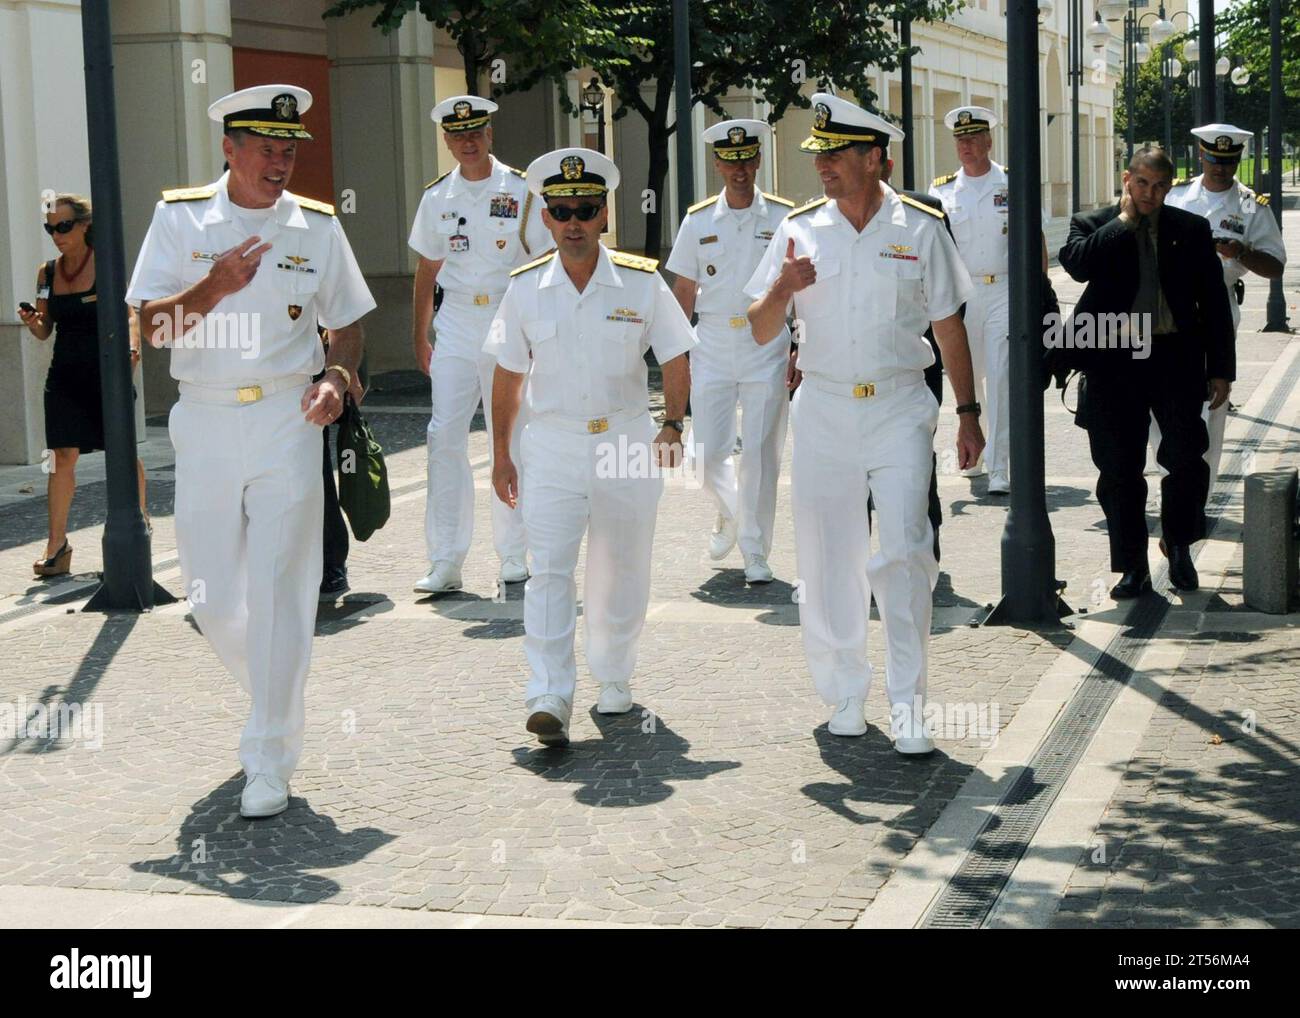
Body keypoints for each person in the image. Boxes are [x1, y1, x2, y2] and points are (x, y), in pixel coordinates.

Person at [126, 84, 375, 818]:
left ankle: (269, 751)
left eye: (288, 146)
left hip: (286, 417)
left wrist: (337, 374)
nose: (280, 159)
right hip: (202, 420)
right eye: (265, 146)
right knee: (209, 594)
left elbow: (350, 321)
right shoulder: (179, 219)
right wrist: (212, 285)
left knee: (281, 585)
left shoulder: (318, 227)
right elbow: (152, 330)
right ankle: (275, 691)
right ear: (229, 150)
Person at [746, 94, 984, 752]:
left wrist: (967, 413)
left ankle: (909, 705)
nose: (822, 163)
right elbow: (760, 326)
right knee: (829, 560)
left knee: (904, 552)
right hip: (821, 407)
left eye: (836, 152)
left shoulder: (922, 227)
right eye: (818, 153)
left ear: (875, 157)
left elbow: (948, 325)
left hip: (900, 404)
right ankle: (845, 691)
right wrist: (782, 288)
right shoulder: (798, 229)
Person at [485, 148, 696, 747]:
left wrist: (673, 423)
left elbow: (676, 351)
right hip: (551, 443)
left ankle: (613, 673)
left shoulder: (639, 279)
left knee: (622, 567)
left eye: (585, 208)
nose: (573, 220)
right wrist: (502, 453)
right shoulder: (525, 289)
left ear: (604, 213)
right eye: (561, 210)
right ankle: (549, 691)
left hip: (625, 438)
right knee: (548, 569)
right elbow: (507, 374)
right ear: (546, 218)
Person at [1059, 145, 1234, 599]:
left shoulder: (1190, 229)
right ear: (1126, 180)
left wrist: (1221, 370)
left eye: (1159, 186)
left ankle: (1178, 545)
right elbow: (1077, 266)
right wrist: (1124, 223)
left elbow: (1214, 303)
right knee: (1118, 468)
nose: (1150, 194)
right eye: (1142, 184)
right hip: (1114, 360)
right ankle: (1132, 565)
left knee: (1185, 458)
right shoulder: (1094, 224)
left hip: (1174, 357)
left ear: (1169, 186)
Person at [408, 95, 551, 594]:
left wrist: (537, 331)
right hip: (457, 320)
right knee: (443, 435)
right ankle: (445, 557)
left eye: (475, 133)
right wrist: (420, 331)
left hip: (506, 316)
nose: (467, 142)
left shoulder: (522, 191)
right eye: (457, 135)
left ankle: (514, 552)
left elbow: (542, 263)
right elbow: (428, 268)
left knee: (508, 435)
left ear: (489, 134)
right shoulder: (437, 197)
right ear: (447, 140)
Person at [665, 119, 793, 584]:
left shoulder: (782, 218)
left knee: (761, 452)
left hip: (766, 342)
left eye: (746, 160)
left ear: (758, 160)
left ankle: (756, 550)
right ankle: (729, 512)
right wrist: (672, 351)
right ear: (717, 164)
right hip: (713, 341)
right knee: (707, 454)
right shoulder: (699, 220)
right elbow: (682, 289)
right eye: (730, 161)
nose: (739, 170)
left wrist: (801, 341)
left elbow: (799, 289)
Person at [1150, 124, 1287, 492]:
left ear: (1237, 159)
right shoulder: (1176, 195)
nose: (1220, 169)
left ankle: (1201, 496)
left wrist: (1240, 252)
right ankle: (1172, 487)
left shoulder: (1250, 206)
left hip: (1216, 309)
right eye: (1214, 160)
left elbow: (1276, 265)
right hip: (1168, 307)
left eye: (1228, 161)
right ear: (1200, 154)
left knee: (1211, 402)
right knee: (1162, 401)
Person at [17, 194, 148, 577]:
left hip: (107, 370)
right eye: (50, 228)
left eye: (63, 226)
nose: (56, 235)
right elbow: (45, 329)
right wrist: (31, 322)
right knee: (61, 457)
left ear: (85, 225)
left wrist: (133, 348)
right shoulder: (47, 273)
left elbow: (129, 314)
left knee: (121, 451)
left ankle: (140, 527)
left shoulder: (105, 264)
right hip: (65, 374)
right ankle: (57, 547)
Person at [929, 106, 1048, 496]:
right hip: (961, 295)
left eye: (973, 139)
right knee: (968, 376)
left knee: (1001, 378)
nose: (965, 146)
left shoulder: (1014, 184)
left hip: (1004, 292)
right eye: (960, 140)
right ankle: (974, 451)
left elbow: (1038, 241)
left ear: (988, 142)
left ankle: (1000, 466)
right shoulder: (942, 191)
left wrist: (1040, 292)